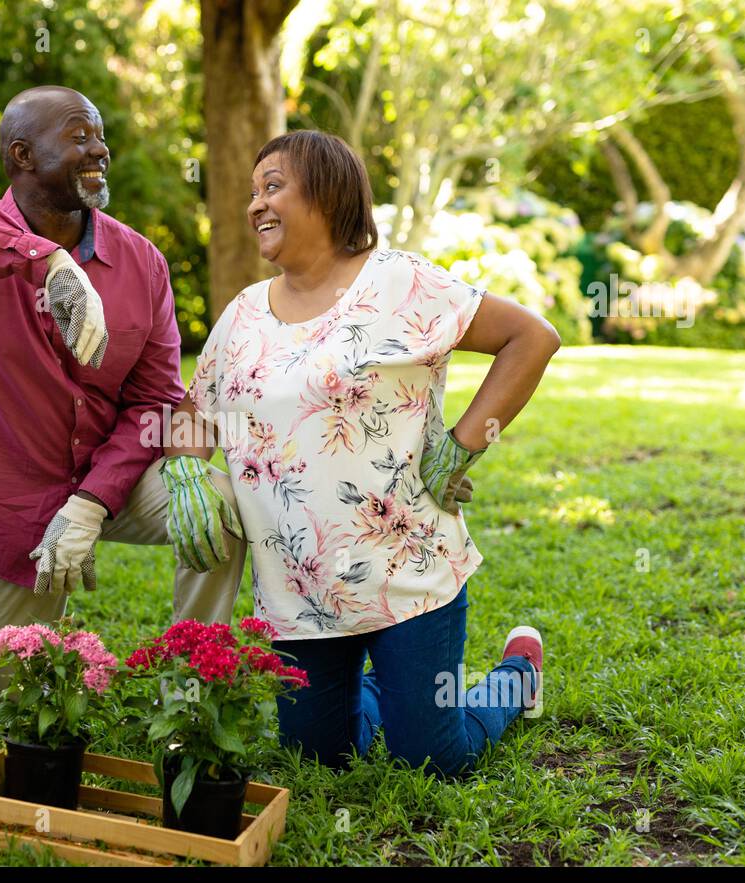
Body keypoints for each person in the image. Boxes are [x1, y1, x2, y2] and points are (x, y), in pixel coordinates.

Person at [163, 130, 560, 776]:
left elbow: (532, 338)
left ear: (327, 192)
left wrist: (461, 446)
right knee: (319, 759)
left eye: (273, 186)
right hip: (297, 596)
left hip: (406, 574)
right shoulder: (240, 318)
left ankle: (516, 677)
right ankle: (392, 694)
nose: (255, 204)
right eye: (252, 192)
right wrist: (182, 465)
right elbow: (192, 415)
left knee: (433, 759)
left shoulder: (399, 283)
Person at [0, 86, 246, 693]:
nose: (100, 150)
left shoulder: (142, 262)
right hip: (10, 506)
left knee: (222, 506)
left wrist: (92, 501)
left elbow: (153, 401)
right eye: (80, 137)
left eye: (100, 136)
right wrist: (46, 259)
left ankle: (188, 690)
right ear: (22, 155)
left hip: (114, 480)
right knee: (18, 699)